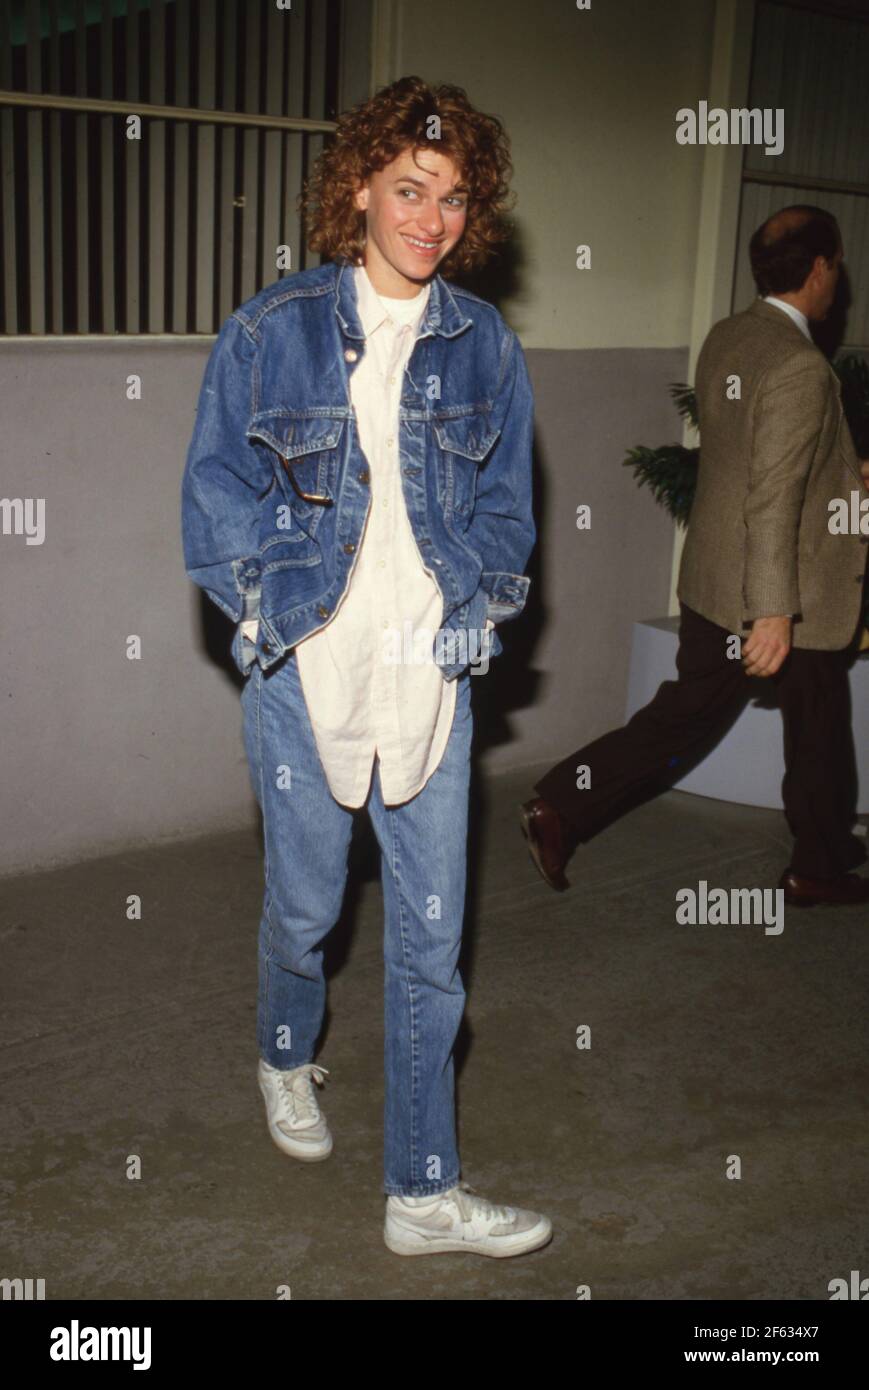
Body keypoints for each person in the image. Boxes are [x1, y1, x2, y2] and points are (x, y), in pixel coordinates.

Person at [181, 76, 548, 1257]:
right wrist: (275, 614)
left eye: (449, 197)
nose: (428, 218)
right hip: (304, 679)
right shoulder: (268, 329)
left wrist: (473, 607)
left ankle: (421, 1193)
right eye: (407, 188)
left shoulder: (482, 344)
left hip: (431, 679)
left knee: (432, 945)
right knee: (307, 906)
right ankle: (286, 1052)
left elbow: (504, 515)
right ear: (357, 189)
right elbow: (212, 504)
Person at [521, 206, 869, 907]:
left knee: (747, 717)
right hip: (782, 586)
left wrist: (844, 474)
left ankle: (564, 803)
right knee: (793, 725)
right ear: (820, 268)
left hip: (714, 571)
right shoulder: (800, 364)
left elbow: (749, 458)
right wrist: (774, 613)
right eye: (835, 265)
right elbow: (772, 493)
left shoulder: (731, 336)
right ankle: (816, 863)